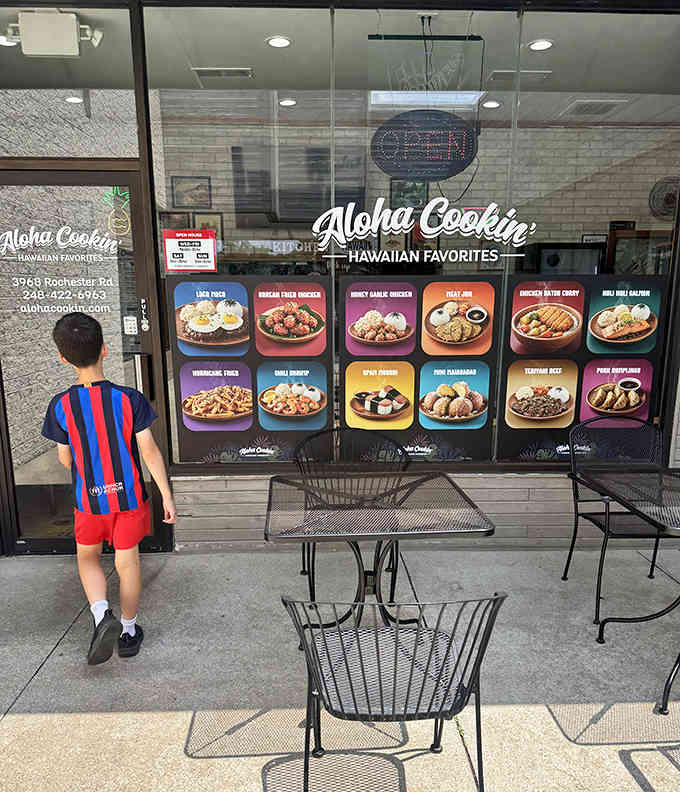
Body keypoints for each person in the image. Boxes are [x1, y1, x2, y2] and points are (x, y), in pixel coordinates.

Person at [41, 313, 177, 665]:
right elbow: (149, 450)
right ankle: (129, 632)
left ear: (62, 357)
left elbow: (65, 458)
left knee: (87, 557)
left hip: (88, 501)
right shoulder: (129, 399)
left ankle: (103, 616)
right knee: (127, 562)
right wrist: (166, 494)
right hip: (129, 497)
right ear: (105, 349)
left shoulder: (61, 406)